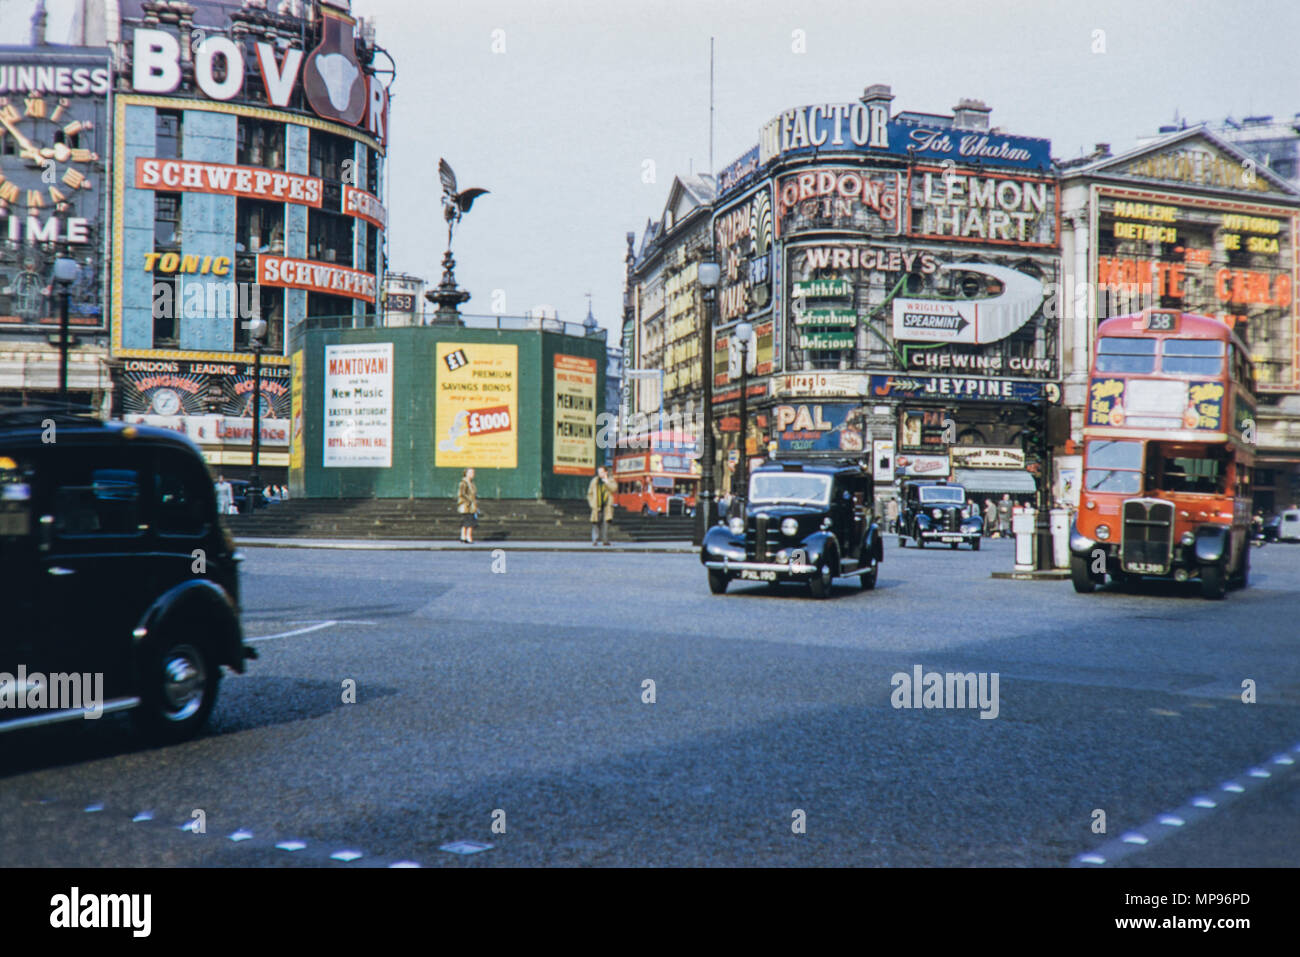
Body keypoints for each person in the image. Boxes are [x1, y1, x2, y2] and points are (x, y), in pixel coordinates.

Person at [587, 465, 616, 546]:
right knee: (595, 523)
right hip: (597, 505)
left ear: (606, 472)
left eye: (601, 472)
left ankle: (605, 540)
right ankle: (595, 540)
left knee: (606, 523)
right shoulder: (594, 481)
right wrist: (592, 504)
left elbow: (614, 489)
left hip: (607, 505)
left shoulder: (610, 480)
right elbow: (589, 494)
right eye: (598, 472)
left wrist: (607, 482)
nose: (600, 474)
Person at [456, 468, 478, 543]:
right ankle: (467, 537)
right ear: (466, 473)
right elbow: (462, 494)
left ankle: (463, 537)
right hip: (466, 505)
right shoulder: (463, 483)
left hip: (471, 506)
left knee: (468, 521)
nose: (472, 474)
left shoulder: (471, 483)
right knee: (468, 521)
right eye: (471, 472)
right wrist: (469, 500)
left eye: (473, 472)